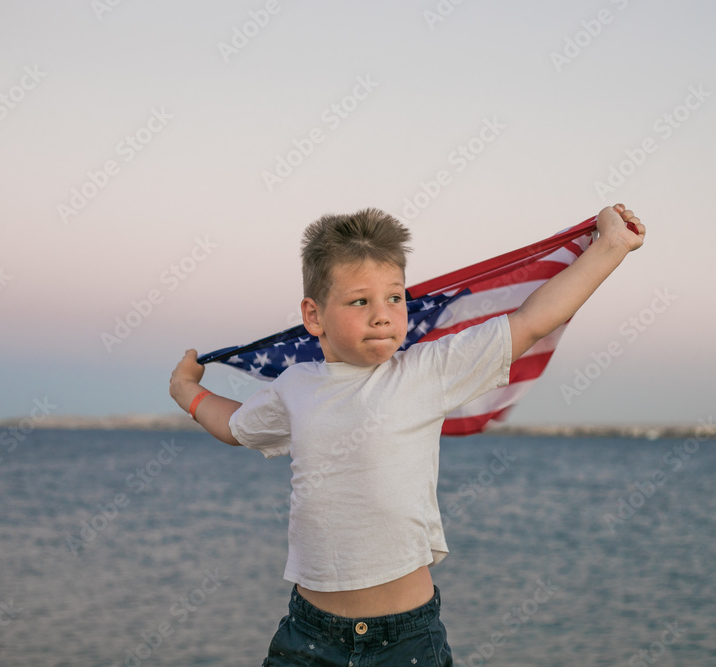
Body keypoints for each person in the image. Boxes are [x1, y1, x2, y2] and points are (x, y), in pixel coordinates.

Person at [169, 203, 645, 665]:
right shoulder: (296, 386)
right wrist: (187, 390)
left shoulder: (426, 371)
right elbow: (236, 427)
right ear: (314, 316)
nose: (383, 315)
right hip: (309, 633)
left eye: (395, 298)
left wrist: (610, 247)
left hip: (406, 640)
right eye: (361, 301)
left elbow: (531, 321)